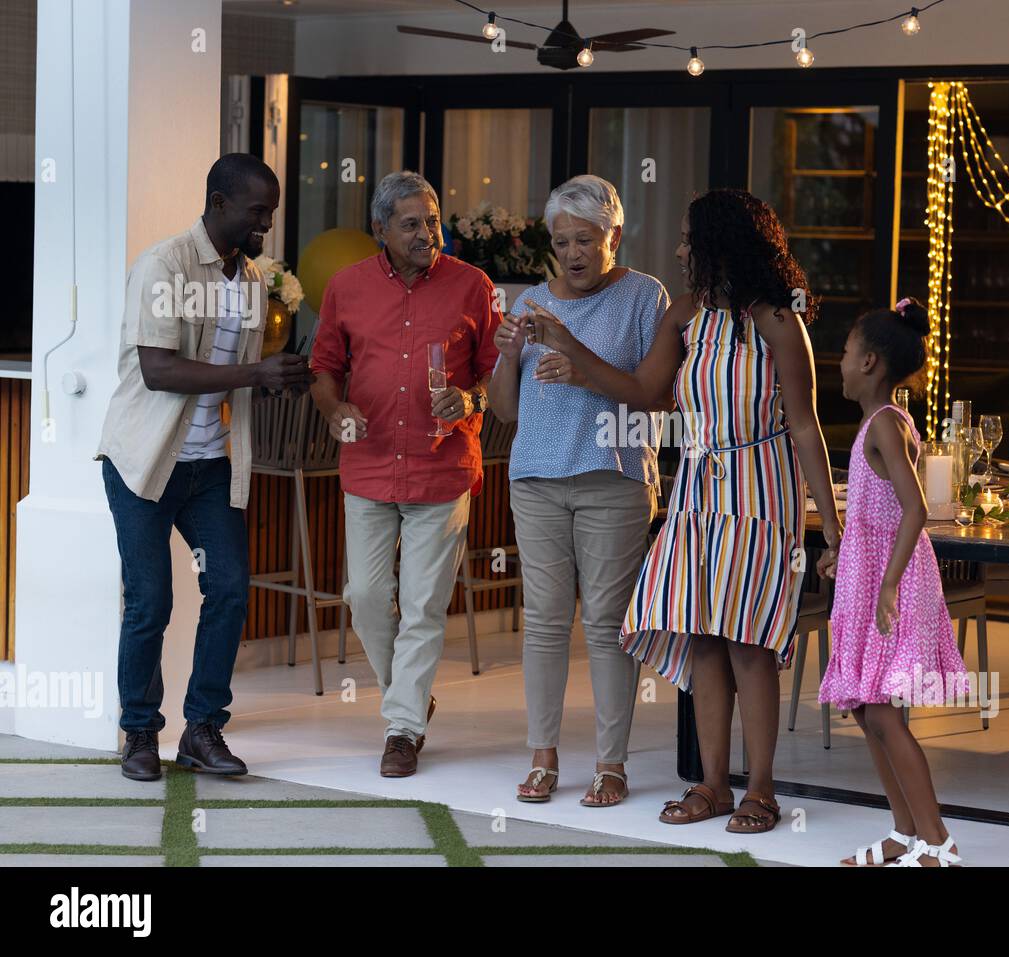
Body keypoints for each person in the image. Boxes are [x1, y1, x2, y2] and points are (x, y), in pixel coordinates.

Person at [527, 189, 842, 833]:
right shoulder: (686, 314)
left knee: (749, 641)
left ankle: (760, 789)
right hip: (698, 491)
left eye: (688, 240)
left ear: (721, 244)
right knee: (701, 634)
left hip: (762, 491)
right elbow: (645, 393)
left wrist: (830, 531)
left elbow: (806, 428)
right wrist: (572, 350)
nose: (678, 251)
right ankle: (712, 784)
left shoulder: (779, 320)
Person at [98, 153, 315, 782]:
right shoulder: (162, 265)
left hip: (210, 466)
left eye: (271, 211)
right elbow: (159, 370)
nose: (266, 223)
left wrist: (278, 381)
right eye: (257, 211)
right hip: (143, 464)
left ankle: (202, 729)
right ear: (218, 203)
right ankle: (139, 731)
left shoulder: (250, 280)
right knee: (150, 601)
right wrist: (255, 372)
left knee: (227, 588)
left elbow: (231, 380)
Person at [309, 170, 501, 778]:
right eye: (412, 224)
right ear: (380, 230)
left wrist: (472, 399)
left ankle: (402, 729)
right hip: (367, 466)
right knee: (364, 596)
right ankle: (411, 696)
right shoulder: (346, 287)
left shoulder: (473, 285)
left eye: (434, 220)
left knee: (422, 604)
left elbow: (498, 373)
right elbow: (323, 370)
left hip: (442, 467)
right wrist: (335, 408)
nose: (428, 234)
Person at [487, 174, 670, 807]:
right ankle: (542, 757)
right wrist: (506, 356)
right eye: (562, 241)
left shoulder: (646, 297)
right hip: (535, 479)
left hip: (612, 480)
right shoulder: (532, 302)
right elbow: (505, 412)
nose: (573, 253)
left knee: (606, 626)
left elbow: (658, 395)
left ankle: (611, 763)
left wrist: (579, 363)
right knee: (542, 624)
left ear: (613, 234)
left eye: (585, 239)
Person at [817, 298, 969, 867]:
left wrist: (886, 583)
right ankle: (905, 833)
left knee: (882, 710)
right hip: (869, 571)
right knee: (864, 707)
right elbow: (875, 510)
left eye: (848, 352)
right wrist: (848, 557)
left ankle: (939, 842)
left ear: (872, 363)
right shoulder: (878, 422)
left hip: (892, 580)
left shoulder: (883, 423)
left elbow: (914, 507)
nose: (840, 361)